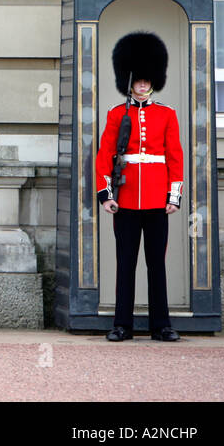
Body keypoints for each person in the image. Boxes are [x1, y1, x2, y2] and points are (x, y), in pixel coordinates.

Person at [95, 31, 182, 342]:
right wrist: (106, 196)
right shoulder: (118, 114)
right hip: (127, 198)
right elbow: (105, 156)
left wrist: (174, 196)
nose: (143, 86)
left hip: (158, 199)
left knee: (156, 264)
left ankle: (161, 325)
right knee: (126, 265)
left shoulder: (166, 114)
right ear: (129, 81)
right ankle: (123, 324)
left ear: (153, 80)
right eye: (138, 81)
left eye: (147, 81)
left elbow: (174, 157)